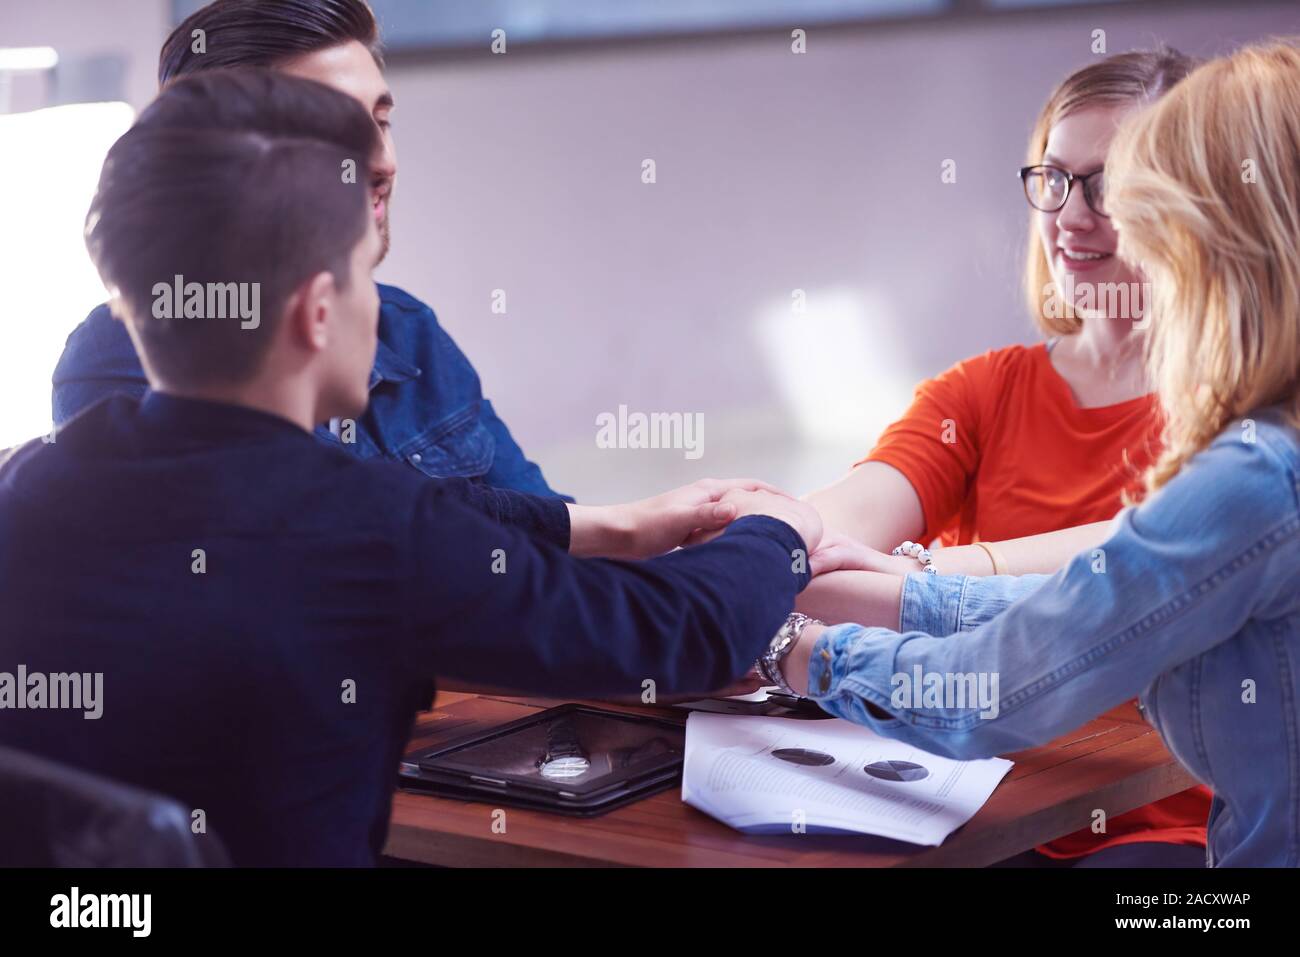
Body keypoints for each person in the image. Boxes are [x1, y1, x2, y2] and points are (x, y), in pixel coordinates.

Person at [0, 69, 822, 866]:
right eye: (365, 271)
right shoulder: (365, 531)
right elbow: (670, 635)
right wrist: (778, 533)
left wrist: (605, 524)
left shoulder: (30, 485)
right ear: (318, 310)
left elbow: (432, 519)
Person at [765, 39, 1300, 868]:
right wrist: (767, 556)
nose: (1083, 218)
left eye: (1137, 196)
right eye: (1056, 182)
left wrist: (787, 648)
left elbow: (994, 688)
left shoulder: (1256, 473)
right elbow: (1090, 608)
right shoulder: (1266, 447)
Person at [50, 0, 565, 496]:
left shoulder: (410, 331)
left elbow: (551, 554)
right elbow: (299, 538)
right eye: (335, 130)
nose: (382, 161)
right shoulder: (124, 352)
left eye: (381, 123)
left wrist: (612, 536)